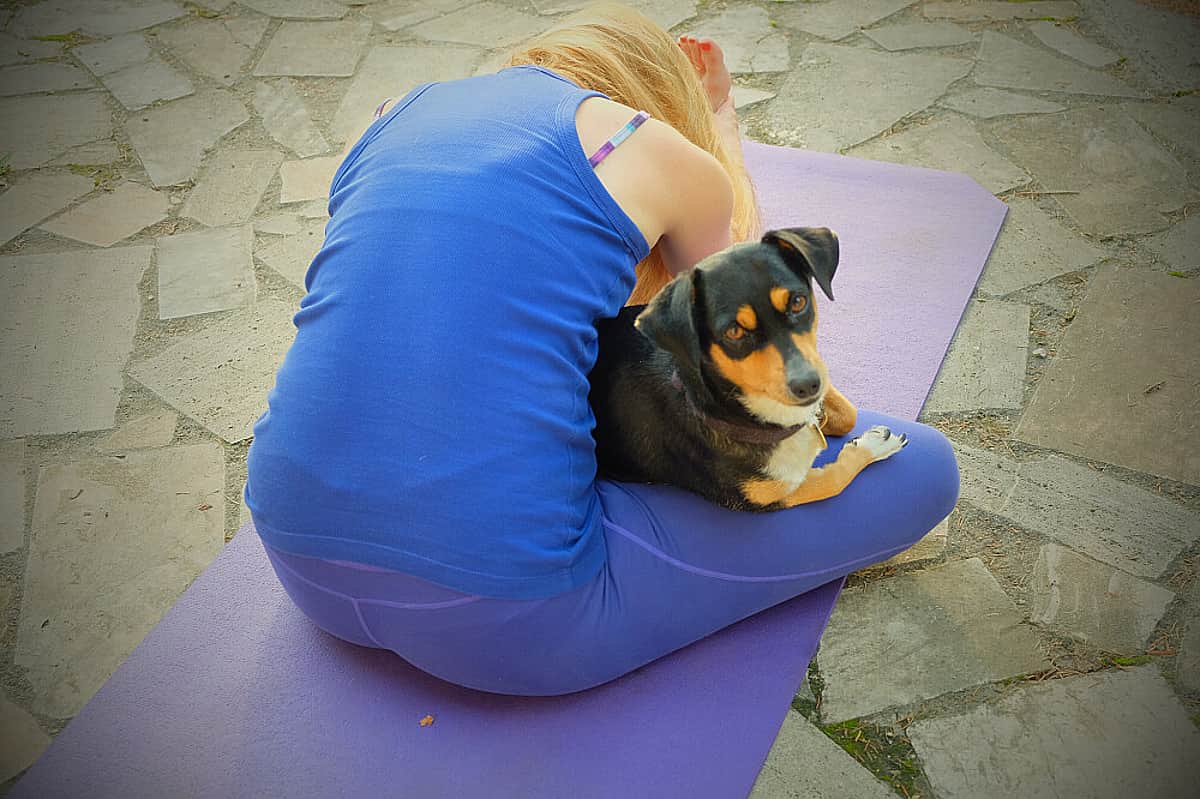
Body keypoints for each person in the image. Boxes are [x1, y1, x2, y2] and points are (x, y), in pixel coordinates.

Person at [245, 3, 958, 696]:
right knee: (922, 466)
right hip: (505, 618)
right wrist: (716, 125)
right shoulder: (655, 149)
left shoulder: (390, 115)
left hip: (295, 555)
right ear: (660, 101)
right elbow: (728, 284)